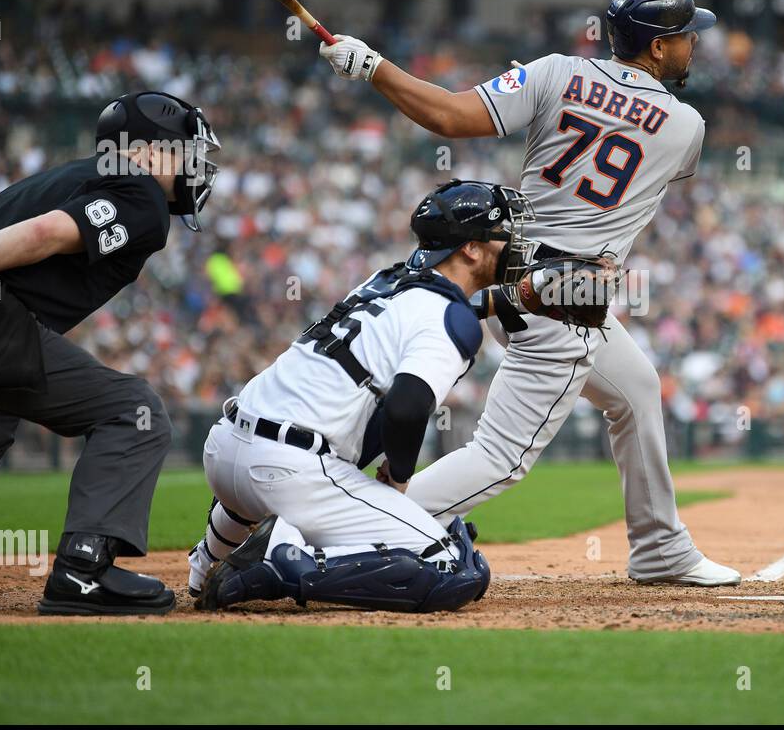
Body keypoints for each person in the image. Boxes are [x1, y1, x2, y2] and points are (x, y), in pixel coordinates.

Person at [317, 0, 739, 586]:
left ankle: (661, 549)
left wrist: (376, 67)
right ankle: (340, 525)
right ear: (653, 48)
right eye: (681, 36)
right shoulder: (686, 127)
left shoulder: (555, 72)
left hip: (514, 267)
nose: (691, 45)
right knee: (501, 456)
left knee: (636, 392)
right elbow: (630, 152)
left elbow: (450, 115)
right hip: (570, 296)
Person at [188, 181, 534, 613]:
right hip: (289, 472)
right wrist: (398, 479)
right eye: (504, 236)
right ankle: (283, 561)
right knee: (455, 567)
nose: (515, 244)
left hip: (226, 452)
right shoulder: (449, 320)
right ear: (471, 249)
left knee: (322, 444)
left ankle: (204, 564)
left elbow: (438, 307)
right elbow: (407, 408)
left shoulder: (384, 280)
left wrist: (516, 297)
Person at [0, 92, 220, 614]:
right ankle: (82, 572)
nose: (195, 164)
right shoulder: (140, 194)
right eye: (184, 150)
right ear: (147, 151)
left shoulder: (75, 175)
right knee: (134, 413)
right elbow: (46, 233)